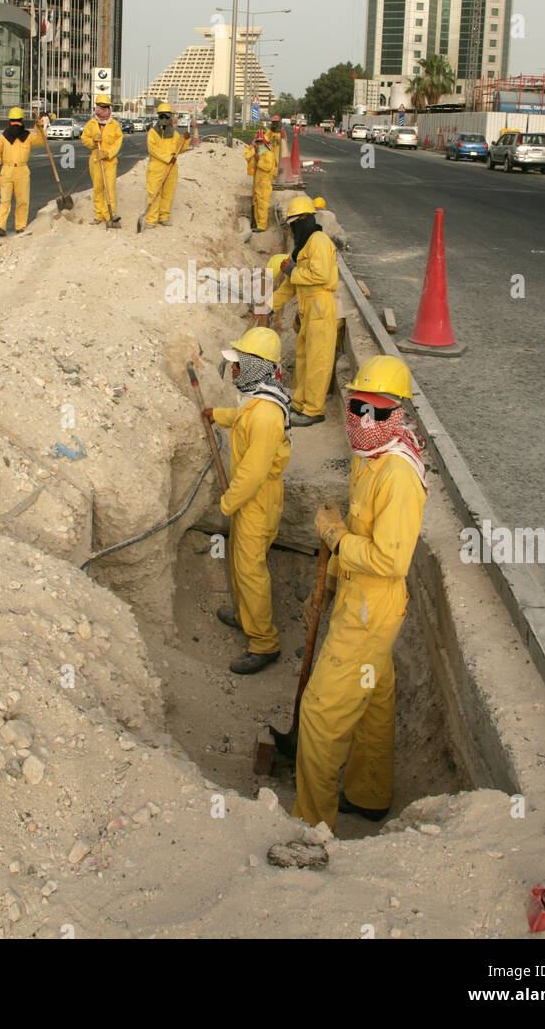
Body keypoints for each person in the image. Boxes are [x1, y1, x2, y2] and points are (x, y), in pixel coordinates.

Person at [293, 355, 427, 831]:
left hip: (372, 610)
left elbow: (391, 561)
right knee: (374, 697)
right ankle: (369, 795)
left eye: (378, 412)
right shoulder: (368, 456)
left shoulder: (397, 475)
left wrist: (335, 539)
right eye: (357, 407)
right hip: (359, 599)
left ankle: (309, 826)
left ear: (400, 414)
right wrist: (327, 584)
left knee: (319, 715)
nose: (365, 420)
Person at [201, 328, 292, 675]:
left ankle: (264, 642)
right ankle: (245, 614)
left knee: (251, 570)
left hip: (256, 501)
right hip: (249, 501)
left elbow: (252, 474)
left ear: (255, 367)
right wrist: (217, 415)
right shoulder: (256, 399)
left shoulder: (266, 413)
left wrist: (227, 503)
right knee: (241, 562)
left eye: (239, 366)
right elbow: (242, 421)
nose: (234, 371)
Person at [275, 195, 338, 427]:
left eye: (293, 224)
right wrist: (268, 305)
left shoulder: (318, 242)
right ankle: (300, 402)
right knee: (303, 357)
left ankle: (313, 409)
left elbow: (320, 276)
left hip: (320, 305)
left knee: (317, 360)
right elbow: (291, 286)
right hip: (308, 308)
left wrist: (292, 270)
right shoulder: (304, 245)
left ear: (303, 220)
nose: (292, 230)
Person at [0, 107, 47, 236]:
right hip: (7, 171)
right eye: (13, 121)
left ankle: (20, 226)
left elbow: (42, 140)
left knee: (23, 201)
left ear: (21, 122)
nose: (15, 124)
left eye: (17, 122)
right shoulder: (4, 137)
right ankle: (0, 226)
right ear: (10, 122)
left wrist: (39, 128)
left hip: (22, 171)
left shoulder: (28, 136)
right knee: (5, 200)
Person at [144, 102, 190, 227]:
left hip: (171, 168)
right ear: (158, 117)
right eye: (162, 116)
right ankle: (151, 220)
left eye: (167, 116)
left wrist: (186, 140)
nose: (164, 119)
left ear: (171, 117)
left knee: (168, 193)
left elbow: (179, 149)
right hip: (156, 167)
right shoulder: (153, 132)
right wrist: (167, 158)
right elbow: (152, 149)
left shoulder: (174, 134)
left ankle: (164, 217)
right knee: (154, 193)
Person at [81, 98, 123, 223]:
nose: (103, 110)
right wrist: (93, 142)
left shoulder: (114, 124)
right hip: (95, 159)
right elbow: (84, 138)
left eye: (106, 107)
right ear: (97, 107)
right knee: (98, 188)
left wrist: (108, 153)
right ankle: (99, 215)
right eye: (101, 107)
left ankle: (110, 215)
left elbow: (118, 141)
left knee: (110, 188)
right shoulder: (91, 123)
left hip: (110, 161)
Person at [244, 130, 275, 232]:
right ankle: (257, 224)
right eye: (257, 142)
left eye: (260, 142)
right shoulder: (258, 154)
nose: (258, 144)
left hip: (265, 184)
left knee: (262, 205)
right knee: (256, 203)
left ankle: (262, 226)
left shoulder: (269, 154)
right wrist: (254, 153)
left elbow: (268, 168)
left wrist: (259, 161)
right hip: (257, 184)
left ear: (264, 143)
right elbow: (251, 163)